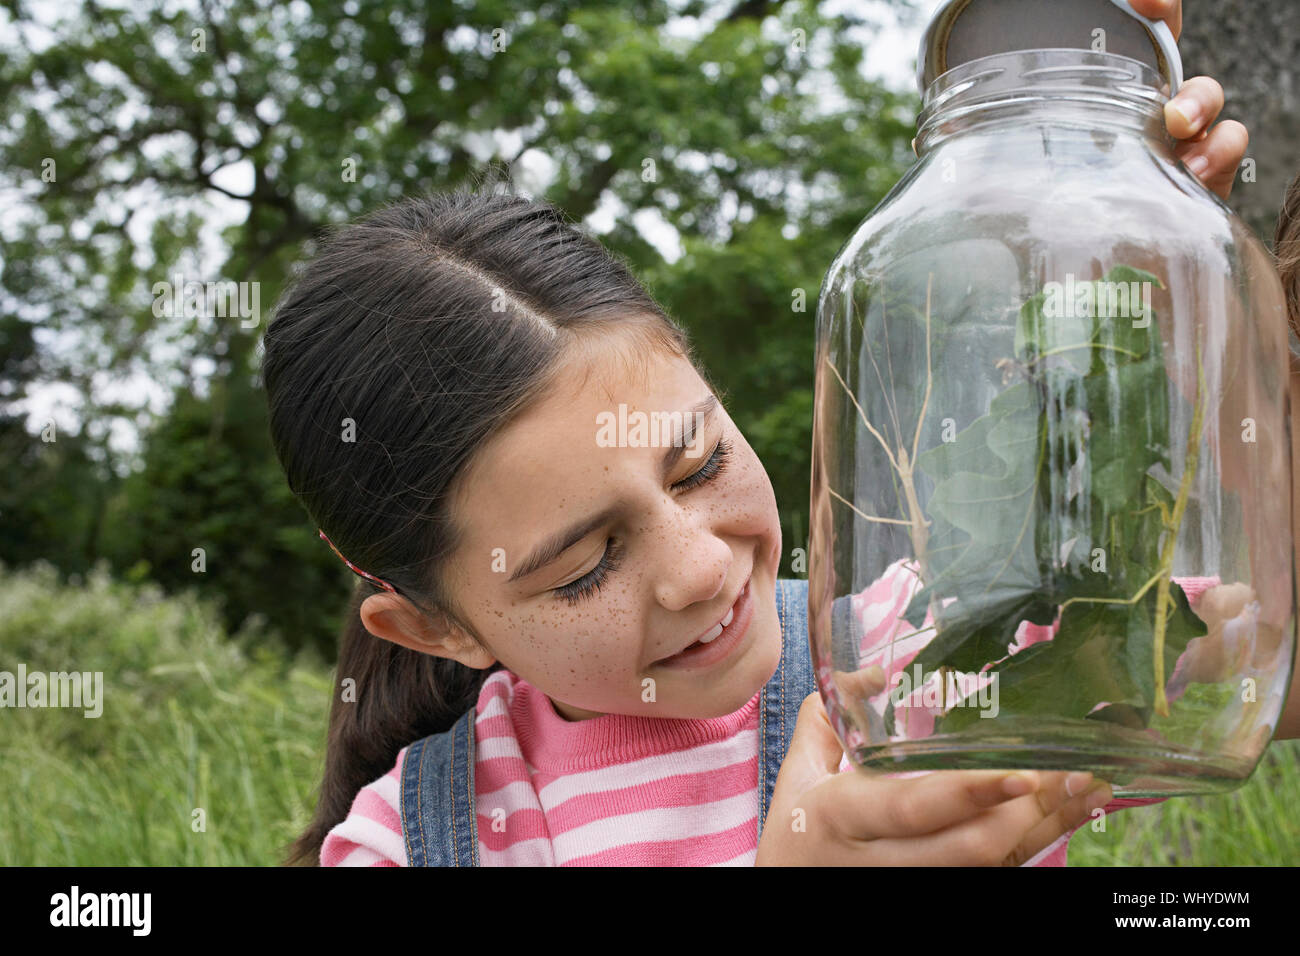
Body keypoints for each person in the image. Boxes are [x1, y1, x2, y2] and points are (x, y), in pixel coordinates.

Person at [262, 0, 1284, 866]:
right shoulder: (410, 837)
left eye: (699, 462)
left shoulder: (923, 658)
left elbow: (1257, 644)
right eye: (580, 564)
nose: (700, 568)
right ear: (440, 626)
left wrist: (1167, 323)